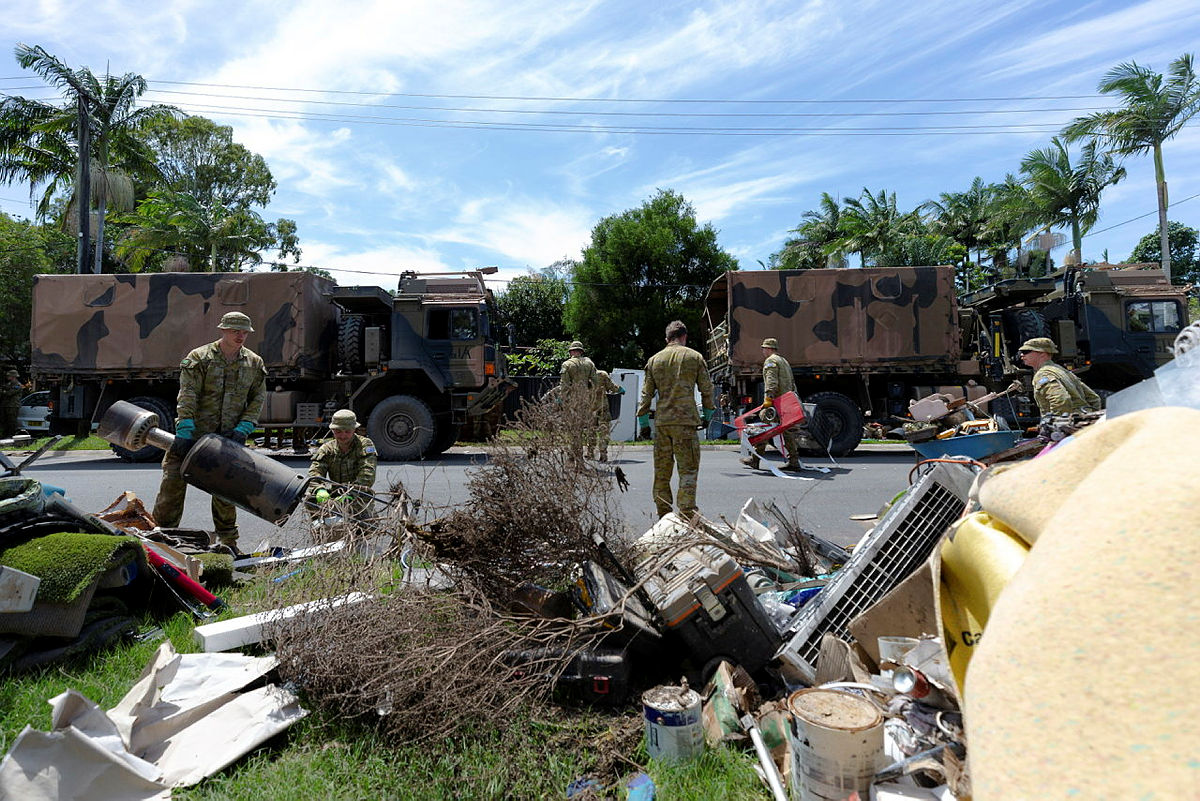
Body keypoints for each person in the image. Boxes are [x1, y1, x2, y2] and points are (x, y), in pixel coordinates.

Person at [153, 311, 267, 551]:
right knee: (172, 484)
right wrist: (184, 428)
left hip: (228, 438)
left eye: (244, 332)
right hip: (193, 435)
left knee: (226, 493)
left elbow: (258, 398)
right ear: (223, 330)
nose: (241, 336)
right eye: (236, 331)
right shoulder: (200, 357)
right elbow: (188, 394)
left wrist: (244, 427)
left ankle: (228, 544)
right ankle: (161, 539)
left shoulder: (253, 362)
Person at [636, 321, 716, 518]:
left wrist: (644, 423)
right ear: (684, 337)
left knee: (662, 471)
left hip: (663, 423)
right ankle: (687, 513)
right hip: (686, 423)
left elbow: (645, 395)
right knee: (687, 470)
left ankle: (664, 513)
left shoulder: (654, 360)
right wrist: (707, 415)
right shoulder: (694, 357)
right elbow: (706, 390)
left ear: (667, 339)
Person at [741, 337, 801, 471]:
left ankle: (755, 459)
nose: (762, 351)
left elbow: (771, 381)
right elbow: (791, 381)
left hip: (776, 401)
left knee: (764, 428)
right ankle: (794, 461)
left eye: (763, 348)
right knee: (786, 431)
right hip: (786, 401)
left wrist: (768, 399)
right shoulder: (783, 361)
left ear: (768, 349)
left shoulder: (770, 361)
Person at [308, 409, 378, 518]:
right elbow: (315, 472)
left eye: (347, 431)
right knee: (310, 499)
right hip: (336, 494)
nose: (343, 435)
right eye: (338, 431)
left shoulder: (365, 445)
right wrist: (319, 489)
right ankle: (322, 529)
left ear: (354, 429)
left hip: (358, 495)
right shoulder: (327, 449)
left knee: (364, 525)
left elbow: (367, 475)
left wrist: (350, 494)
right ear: (332, 430)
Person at [1018, 337, 1101, 416]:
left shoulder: (1044, 374)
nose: (1022, 355)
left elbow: (1060, 399)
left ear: (1042, 354)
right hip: (1080, 422)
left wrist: (1057, 422)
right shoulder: (1062, 371)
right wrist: (1090, 418)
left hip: (1067, 425)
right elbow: (1094, 398)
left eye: (1026, 351)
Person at [559, 340, 597, 462]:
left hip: (572, 401)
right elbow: (595, 383)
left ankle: (574, 457)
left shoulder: (567, 364)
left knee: (573, 429)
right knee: (580, 429)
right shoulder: (589, 363)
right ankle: (576, 456)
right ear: (581, 351)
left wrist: (562, 400)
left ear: (571, 352)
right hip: (585, 400)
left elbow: (564, 385)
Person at [591, 369, 625, 462]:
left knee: (591, 430)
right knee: (604, 430)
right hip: (602, 406)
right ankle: (603, 454)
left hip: (589, 407)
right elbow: (612, 387)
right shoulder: (602, 374)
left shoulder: (583, 375)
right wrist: (620, 389)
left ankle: (590, 453)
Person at [0, 369, 23, 437]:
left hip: (13, 406)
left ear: (13, 377)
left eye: (9, 376)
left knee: (12, 421)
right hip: (6, 405)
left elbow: (9, 393)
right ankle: (5, 434)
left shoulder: (18, 385)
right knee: (5, 421)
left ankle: (11, 435)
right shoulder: (8, 384)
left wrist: (3, 391)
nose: (7, 377)